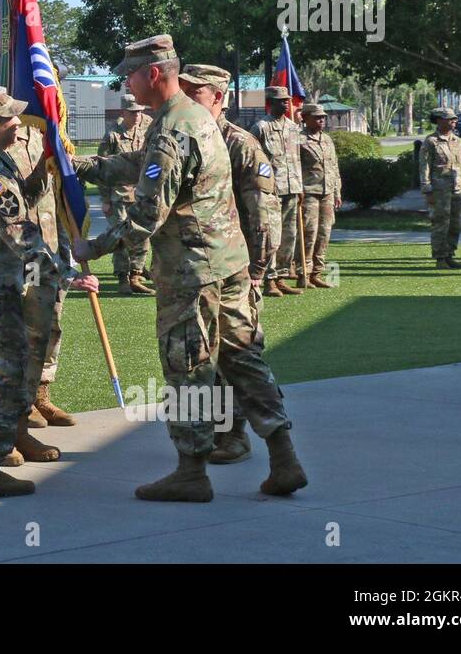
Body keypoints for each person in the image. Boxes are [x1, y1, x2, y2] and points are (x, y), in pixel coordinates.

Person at [72, 35, 306, 502]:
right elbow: (142, 163)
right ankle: (285, 457)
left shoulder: (173, 128)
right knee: (243, 358)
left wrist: (92, 247)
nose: (127, 83)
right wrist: (85, 167)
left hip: (192, 274)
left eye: (131, 74)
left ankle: (191, 471)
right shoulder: (194, 118)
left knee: (190, 369)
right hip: (228, 264)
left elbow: (147, 214)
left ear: (154, 74)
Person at [0, 87, 94, 498]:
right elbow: (21, 234)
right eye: (11, 118)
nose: (19, 123)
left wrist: (39, 178)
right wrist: (67, 273)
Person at [179, 64, 280, 464]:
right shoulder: (186, 138)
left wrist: (257, 273)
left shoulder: (240, 143)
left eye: (196, 93)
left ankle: (237, 435)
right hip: (199, 269)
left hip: (236, 269)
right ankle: (220, 433)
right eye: (183, 91)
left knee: (237, 354)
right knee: (204, 354)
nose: (187, 99)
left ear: (218, 97)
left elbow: (263, 214)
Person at [9, 121, 92, 456]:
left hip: (52, 246)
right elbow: (19, 198)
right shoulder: (6, 142)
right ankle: (22, 403)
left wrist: (69, 244)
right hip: (25, 254)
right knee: (27, 328)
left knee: (51, 324)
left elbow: (58, 198)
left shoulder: (48, 138)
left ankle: (41, 393)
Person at [96, 94, 153, 295]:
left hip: (141, 194)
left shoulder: (146, 130)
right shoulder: (112, 135)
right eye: (132, 112)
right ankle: (122, 278)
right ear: (123, 112)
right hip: (118, 196)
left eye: (139, 111)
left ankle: (135, 276)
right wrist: (104, 199)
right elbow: (102, 168)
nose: (137, 115)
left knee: (141, 236)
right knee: (121, 238)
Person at [251, 87, 305, 296]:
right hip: (271, 191)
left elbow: (296, 159)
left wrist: (299, 187)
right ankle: (269, 279)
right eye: (281, 101)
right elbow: (255, 159)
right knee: (272, 236)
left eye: (287, 101)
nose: (286, 104)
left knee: (289, 235)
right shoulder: (261, 127)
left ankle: (282, 275)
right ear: (270, 103)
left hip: (292, 188)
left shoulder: (293, 128)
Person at [298, 102, 341, 288]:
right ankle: (304, 274)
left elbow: (334, 167)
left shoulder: (327, 140)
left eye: (323, 117)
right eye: (317, 117)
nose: (321, 120)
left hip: (328, 193)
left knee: (324, 233)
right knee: (309, 233)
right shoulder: (298, 140)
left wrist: (337, 191)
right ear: (305, 118)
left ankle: (317, 272)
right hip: (309, 193)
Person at [420, 108, 461, 269]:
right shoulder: (431, 141)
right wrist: (427, 189)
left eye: (455, 119)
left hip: (457, 188)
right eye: (450, 119)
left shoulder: (456, 140)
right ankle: (440, 258)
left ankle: (450, 255)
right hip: (439, 190)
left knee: (456, 223)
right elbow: (424, 166)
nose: (454, 121)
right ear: (439, 121)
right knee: (441, 223)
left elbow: (460, 165)